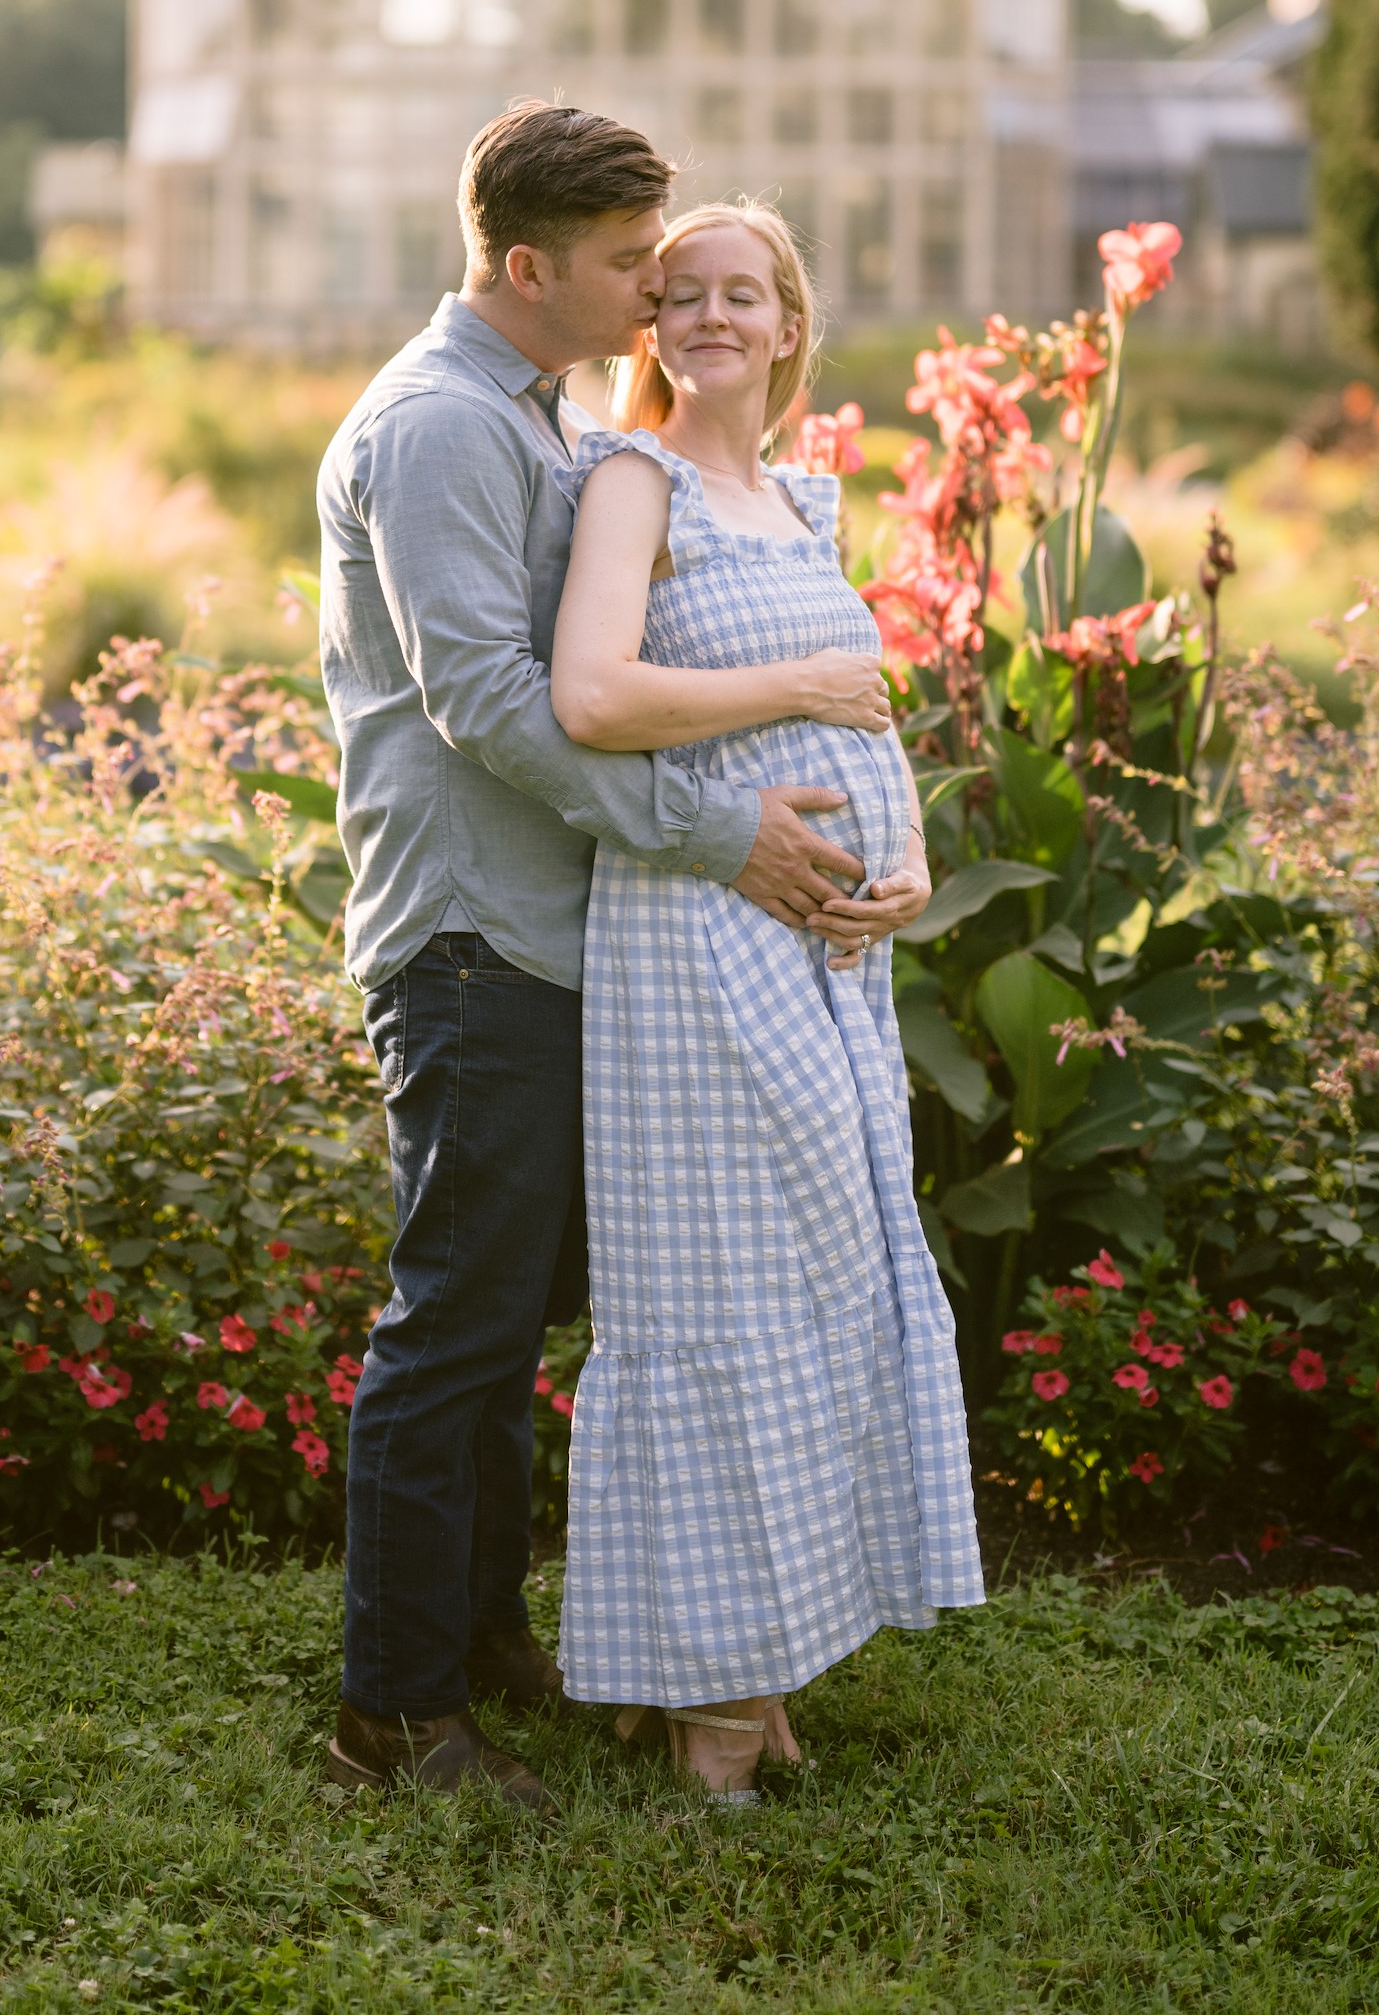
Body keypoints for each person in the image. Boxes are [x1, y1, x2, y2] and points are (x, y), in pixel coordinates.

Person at [316, 104, 915, 1808]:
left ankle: (482, 1642)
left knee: (512, 1321)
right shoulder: (441, 425)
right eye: (629, 262)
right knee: (453, 1326)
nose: (657, 290)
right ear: (528, 267)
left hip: (552, 934)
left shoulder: (543, 414)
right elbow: (492, 703)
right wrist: (715, 834)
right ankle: (390, 1716)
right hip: (472, 935)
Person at [548, 199, 985, 1802]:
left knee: (813, 1289)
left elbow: (862, 724)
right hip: (696, 945)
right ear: (652, 327)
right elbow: (593, 695)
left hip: (829, 963)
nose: (713, 316)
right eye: (684, 294)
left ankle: (760, 1659)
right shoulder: (635, 481)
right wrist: (797, 687)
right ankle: (712, 1707)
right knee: (721, 1296)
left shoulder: (794, 503)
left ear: (791, 327)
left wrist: (909, 862)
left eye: (745, 294)